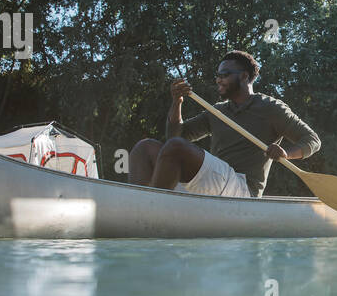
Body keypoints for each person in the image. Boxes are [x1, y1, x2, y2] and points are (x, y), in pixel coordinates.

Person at [128, 51, 320, 198]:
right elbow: (175, 137)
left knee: (176, 147)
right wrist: (177, 102)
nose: (218, 79)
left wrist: (286, 154)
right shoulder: (217, 111)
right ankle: (140, 203)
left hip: (243, 188)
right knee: (144, 148)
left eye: (224, 74)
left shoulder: (270, 108)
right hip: (214, 182)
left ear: (244, 76)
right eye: (217, 75)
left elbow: (312, 140)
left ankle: (151, 206)